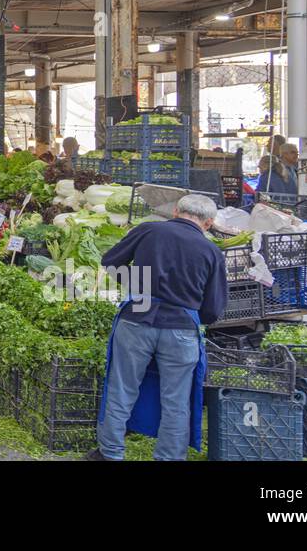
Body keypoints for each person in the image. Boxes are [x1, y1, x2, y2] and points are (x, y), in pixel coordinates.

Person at [93, 194, 226, 462]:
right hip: (181, 327)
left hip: (136, 319)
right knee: (176, 401)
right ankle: (168, 457)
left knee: (122, 389)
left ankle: (110, 453)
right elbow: (213, 310)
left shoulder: (148, 230)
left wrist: (137, 286)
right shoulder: (212, 251)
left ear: (176, 211)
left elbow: (110, 262)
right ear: (209, 223)